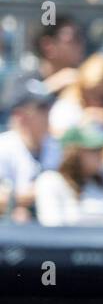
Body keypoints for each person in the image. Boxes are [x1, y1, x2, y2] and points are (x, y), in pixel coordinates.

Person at [34, 127, 103, 227]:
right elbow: (52, 227)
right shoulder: (50, 181)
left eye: (101, 149)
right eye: (93, 150)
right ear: (73, 153)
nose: (100, 155)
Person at [0, 77, 58, 221]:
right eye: (41, 108)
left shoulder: (56, 146)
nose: (48, 113)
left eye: (48, 106)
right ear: (20, 115)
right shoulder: (4, 146)